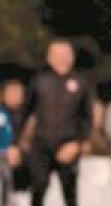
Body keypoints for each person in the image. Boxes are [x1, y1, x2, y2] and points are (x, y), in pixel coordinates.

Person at [18, 40, 95, 206]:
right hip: (41, 147)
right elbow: (23, 113)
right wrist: (17, 143)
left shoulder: (81, 82)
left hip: (68, 146)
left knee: (70, 194)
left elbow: (87, 118)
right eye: (58, 55)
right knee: (38, 188)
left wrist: (78, 143)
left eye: (66, 55)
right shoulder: (39, 81)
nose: (62, 59)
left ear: (72, 57)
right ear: (49, 58)